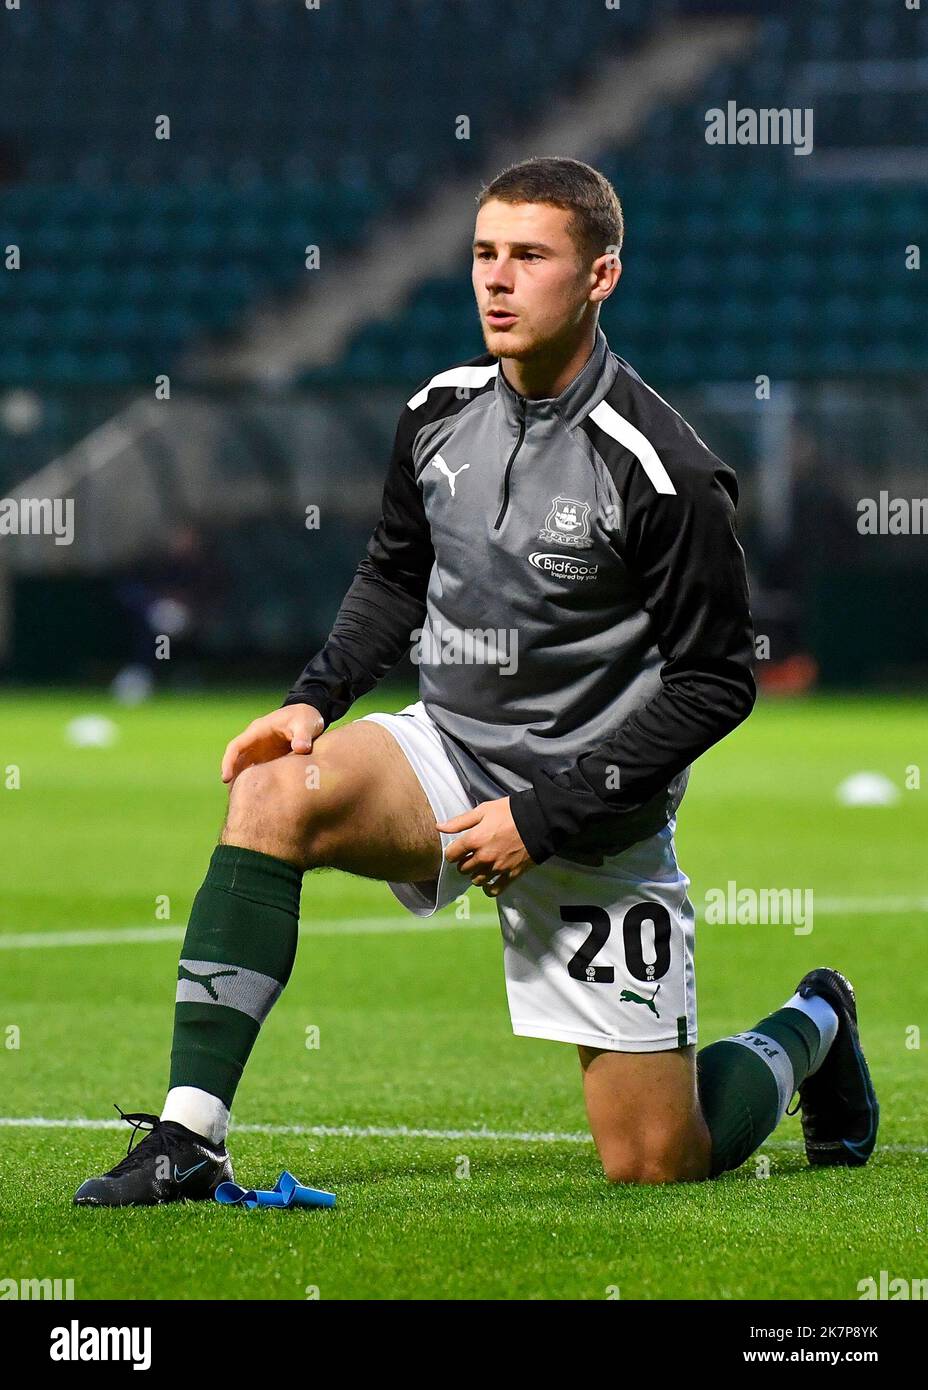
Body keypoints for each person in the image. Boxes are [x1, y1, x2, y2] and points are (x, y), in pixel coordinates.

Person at [74, 157, 877, 1205]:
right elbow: (393, 575)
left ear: (600, 277)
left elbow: (716, 683)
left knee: (656, 1162)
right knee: (273, 790)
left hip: (595, 818)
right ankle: (189, 1138)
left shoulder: (663, 470)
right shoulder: (438, 410)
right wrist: (314, 698)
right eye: (484, 254)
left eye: (530, 257)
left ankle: (815, 1022)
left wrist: (545, 816)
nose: (496, 281)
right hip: (447, 757)